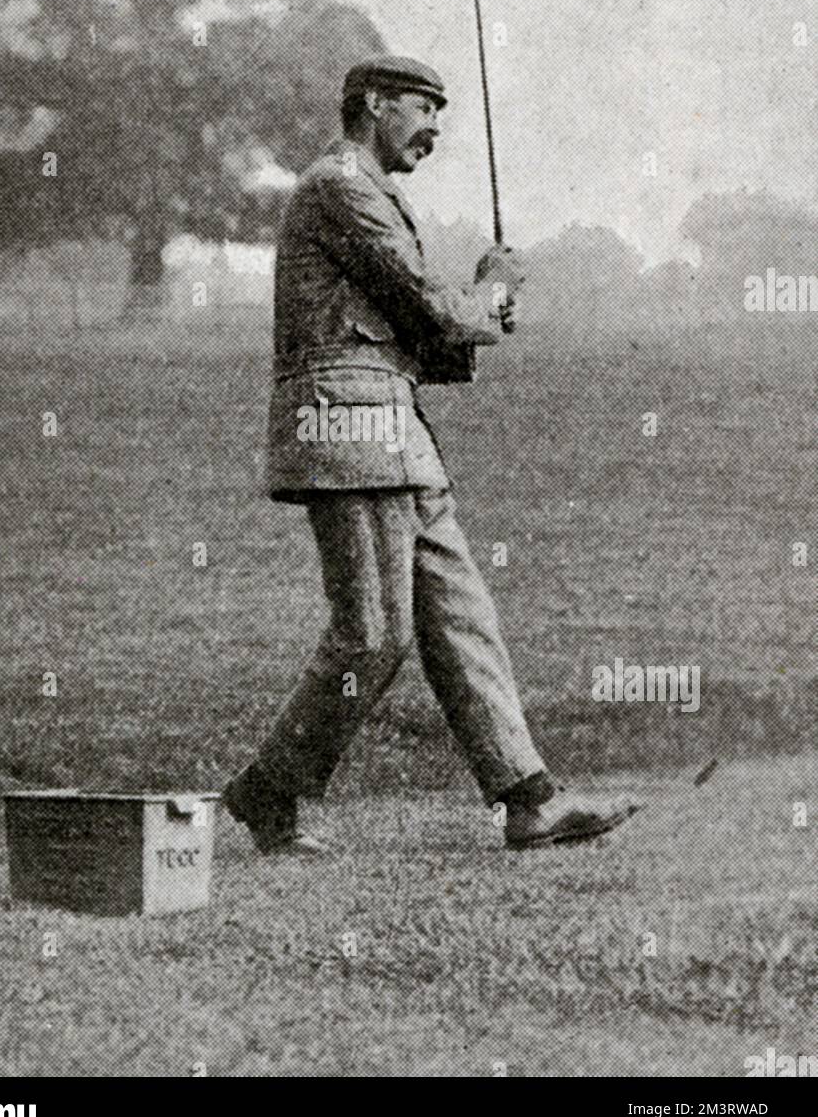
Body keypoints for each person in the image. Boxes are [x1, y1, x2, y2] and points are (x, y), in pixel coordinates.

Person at [222, 55, 640, 855]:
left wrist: (485, 301)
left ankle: (530, 801)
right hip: (348, 431)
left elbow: (422, 336)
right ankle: (268, 791)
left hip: (395, 430)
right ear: (374, 104)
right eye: (423, 109)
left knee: (460, 619)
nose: (435, 130)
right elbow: (427, 306)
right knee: (372, 637)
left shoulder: (371, 192)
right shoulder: (340, 185)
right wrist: (488, 293)